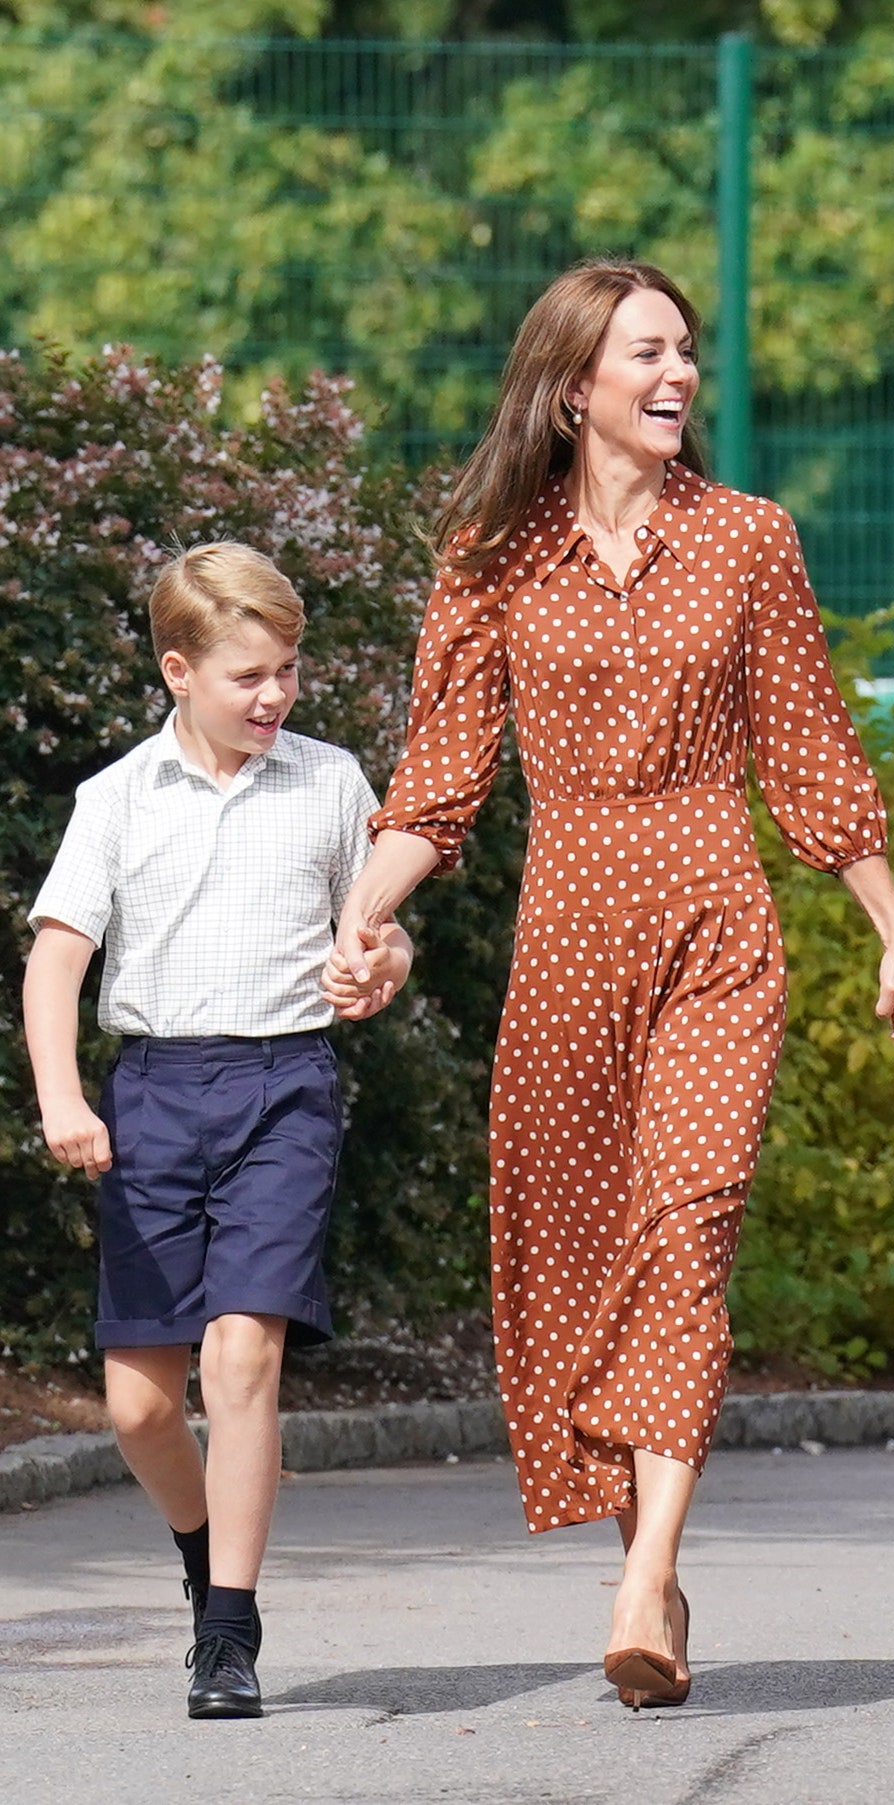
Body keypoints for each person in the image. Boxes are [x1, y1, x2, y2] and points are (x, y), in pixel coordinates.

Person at [331, 258, 894, 1709]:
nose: (678, 378)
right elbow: (439, 779)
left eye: (687, 355)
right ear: (571, 382)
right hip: (567, 937)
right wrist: (361, 918)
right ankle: (647, 1556)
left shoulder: (746, 540)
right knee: (589, 1257)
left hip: (714, 921)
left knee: (692, 1223)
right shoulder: (492, 558)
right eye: (647, 353)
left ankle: (643, 1570)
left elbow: (807, 749)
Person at [22, 542, 410, 1720]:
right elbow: (54, 963)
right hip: (151, 1094)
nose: (275, 695)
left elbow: (378, 931)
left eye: (287, 669)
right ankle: (203, 1561)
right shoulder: (117, 798)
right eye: (249, 675)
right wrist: (62, 1096)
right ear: (178, 671)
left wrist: (381, 960)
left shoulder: (332, 783)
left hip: (286, 1085)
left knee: (243, 1347)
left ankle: (229, 1634)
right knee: (140, 1401)